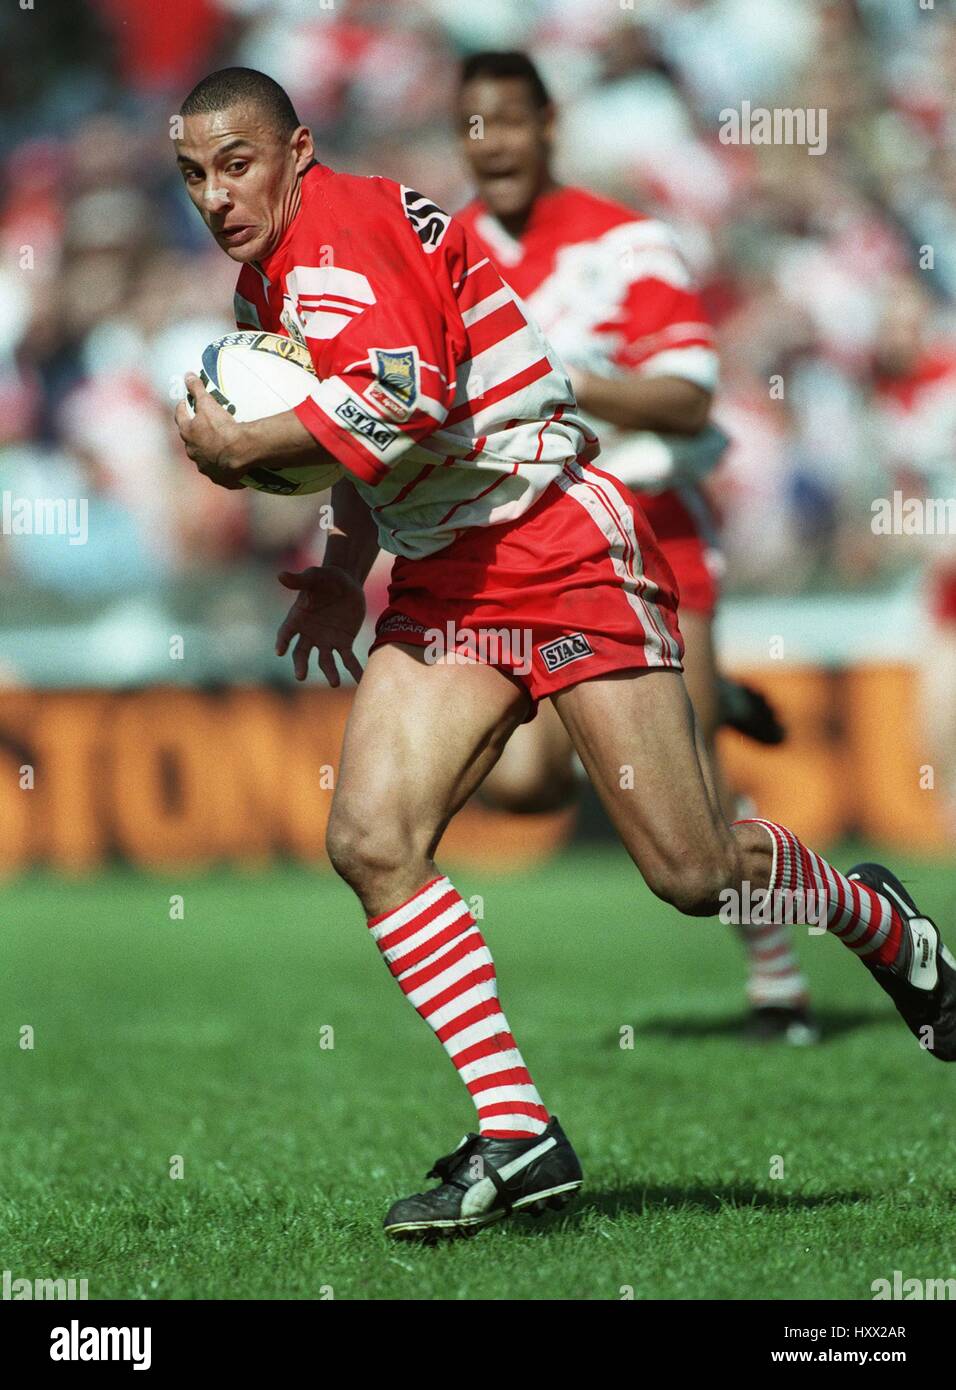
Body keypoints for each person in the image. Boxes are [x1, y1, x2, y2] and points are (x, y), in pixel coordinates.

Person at [173, 67, 956, 1241]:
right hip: (447, 578)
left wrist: (246, 445)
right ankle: (518, 1134)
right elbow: (362, 448)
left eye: (237, 165)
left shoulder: (341, 232)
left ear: (297, 149)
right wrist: (342, 568)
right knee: (372, 837)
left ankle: (874, 919)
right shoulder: (269, 281)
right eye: (192, 176)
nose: (216, 195)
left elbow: (406, 397)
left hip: (555, 540)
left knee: (691, 873)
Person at [453, 50, 813, 1042]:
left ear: (547, 125)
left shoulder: (623, 243)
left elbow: (689, 391)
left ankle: (777, 987)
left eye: (509, 121)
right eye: (472, 126)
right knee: (520, 784)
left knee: (691, 805)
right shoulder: (450, 258)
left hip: (648, 531)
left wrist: (560, 381)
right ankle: (695, 702)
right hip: (529, 545)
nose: (492, 144)